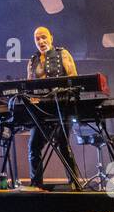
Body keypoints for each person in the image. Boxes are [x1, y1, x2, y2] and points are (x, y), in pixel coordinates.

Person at [24, 26, 80, 190]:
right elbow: (28, 87)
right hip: (41, 111)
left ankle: (74, 182)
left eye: (43, 37)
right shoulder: (32, 60)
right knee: (33, 146)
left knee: (63, 145)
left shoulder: (63, 54)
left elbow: (73, 79)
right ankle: (36, 184)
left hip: (62, 107)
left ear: (51, 38)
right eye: (37, 39)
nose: (41, 41)